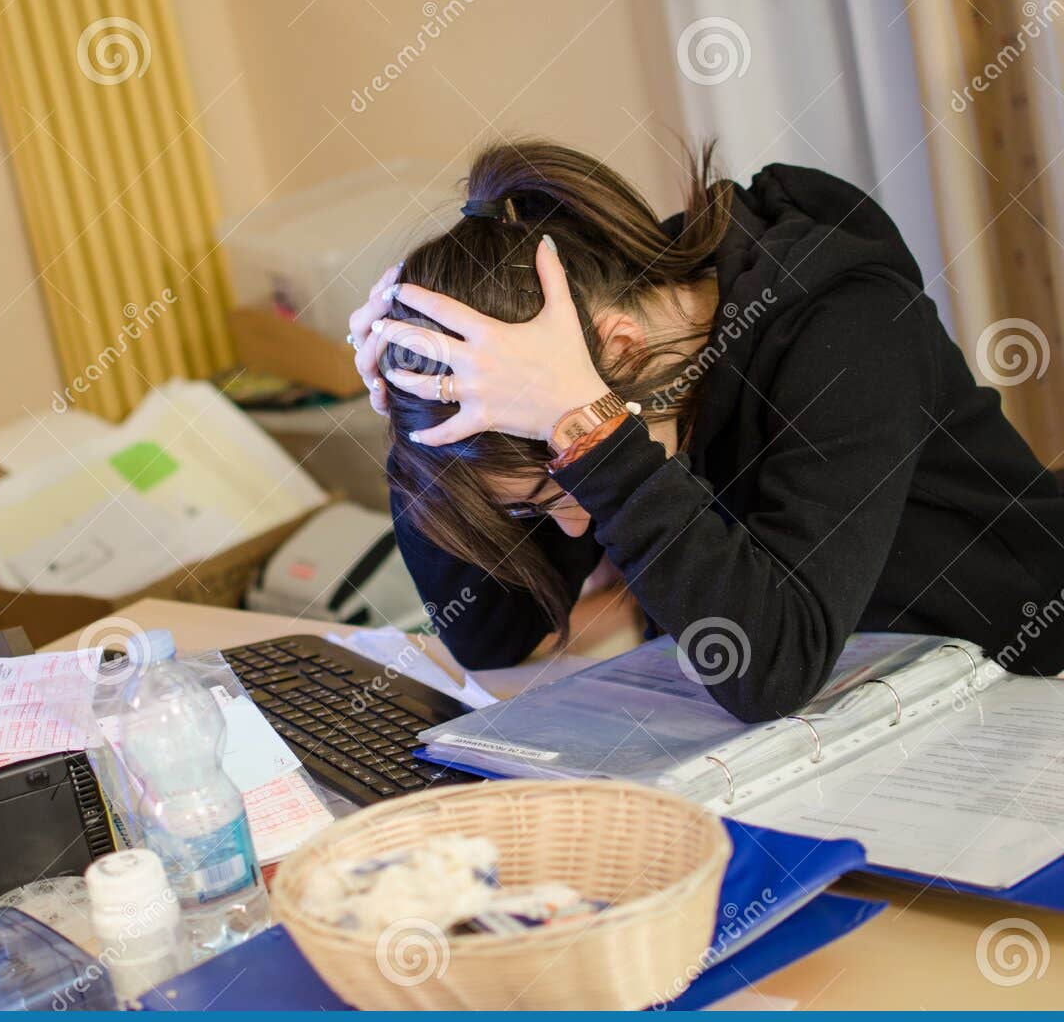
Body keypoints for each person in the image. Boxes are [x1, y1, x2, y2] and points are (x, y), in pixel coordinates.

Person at [348, 140, 1064, 722]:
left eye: (555, 486)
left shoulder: (847, 324)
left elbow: (772, 669)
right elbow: (489, 634)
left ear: (623, 348)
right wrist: (418, 425)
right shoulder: (602, 366)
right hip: (846, 712)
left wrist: (592, 437)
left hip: (1018, 683)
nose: (572, 531)